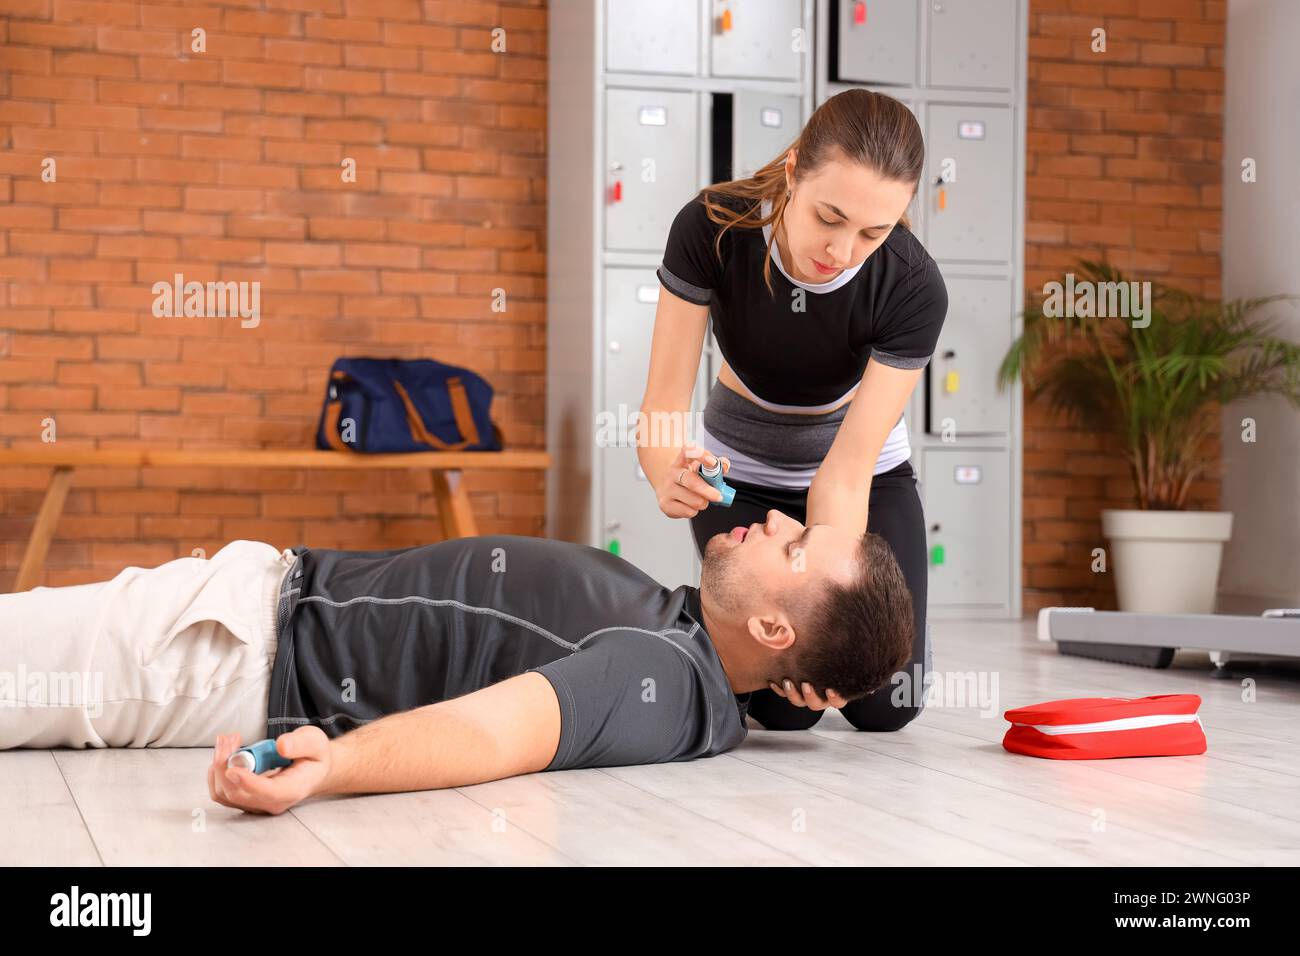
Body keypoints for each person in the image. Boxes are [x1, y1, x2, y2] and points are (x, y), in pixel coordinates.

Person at [0, 479, 913, 814]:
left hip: (234, 646)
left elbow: (497, 733)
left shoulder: (660, 675)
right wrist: (793, 693)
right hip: (256, 613)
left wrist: (332, 768)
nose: (773, 521)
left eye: (795, 548)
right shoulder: (706, 672)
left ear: (772, 630)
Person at [639, 88, 947, 732]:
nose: (842, 251)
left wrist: (825, 630)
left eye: (874, 231)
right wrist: (665, 469)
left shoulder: (913, 287)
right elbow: (665, 403)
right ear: (792, 170)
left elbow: (845, 473)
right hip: (745, 474)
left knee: (885, 700)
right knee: (782, 709)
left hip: (859, 476)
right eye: (828, 216)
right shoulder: (711, 228)